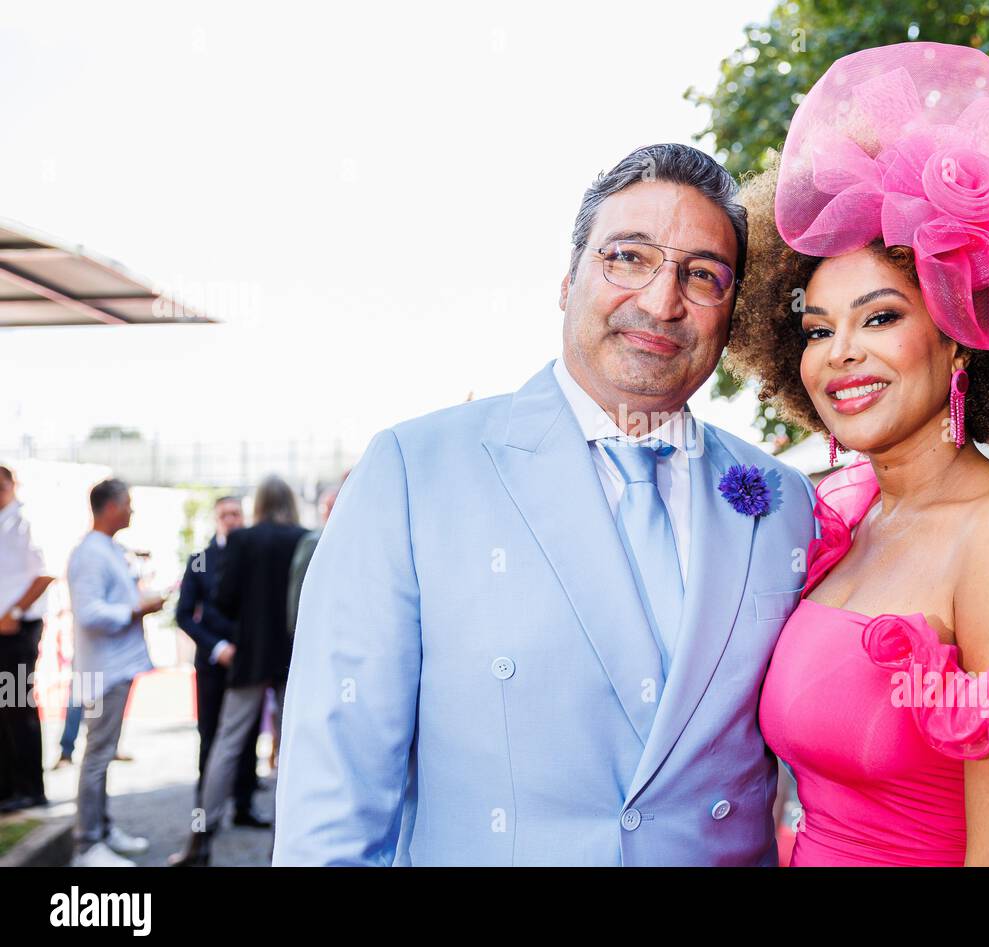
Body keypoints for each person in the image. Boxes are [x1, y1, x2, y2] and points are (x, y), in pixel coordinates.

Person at [273, 143, 816, 866]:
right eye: (628, 257)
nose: (661, 301)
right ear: (567, 280)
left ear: (730, 308)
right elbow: (335, 800)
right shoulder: (413, 474)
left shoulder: (785, 502)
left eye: (703, 275)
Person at [726, 42, 989, 865]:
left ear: (962, 336)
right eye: (818, 329)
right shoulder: (844, 517)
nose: (839, 353)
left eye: (881, 317)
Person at [169, 476, 306, 865]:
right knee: (292, 749)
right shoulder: (304, 538)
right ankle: (289, 843)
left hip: (250, 656)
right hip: (291, 657)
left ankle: (200, 838)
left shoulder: (244, 542)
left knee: (226, 745)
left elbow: (224, 600)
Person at [66, 478, 163, 866]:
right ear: (109, 507)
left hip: (112, 667)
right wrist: (136, 610)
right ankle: (87, 844)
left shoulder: (104, 549)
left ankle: (100, 831)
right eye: (127, 503)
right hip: (102, 669)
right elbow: (90, 613)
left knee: (101, 754)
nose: (131, 510)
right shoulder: (90, 553)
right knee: (97, 757)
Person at [175, 495, 268, 829]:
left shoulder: (255, 559)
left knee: (248, 737)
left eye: (236, 513)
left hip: (248, 662)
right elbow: (184, 614)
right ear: (216, 519)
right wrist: (216, 647)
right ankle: (205, 814)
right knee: (211, 735)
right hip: (213, 664)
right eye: (225, 514)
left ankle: (244, 806)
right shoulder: (200, 559)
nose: (231, 519)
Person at [0, 465, 55, 813]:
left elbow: (45, 572)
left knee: (17, 705)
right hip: (3, 630)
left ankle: (30, 787)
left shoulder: (26, 519)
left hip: (18, 630)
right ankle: (7, 788)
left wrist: (14, 612)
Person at [285, 481, 340, 636]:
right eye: (327, 507)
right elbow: (298, 593)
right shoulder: (313, 541)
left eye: (335, 506)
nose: (331, 511)